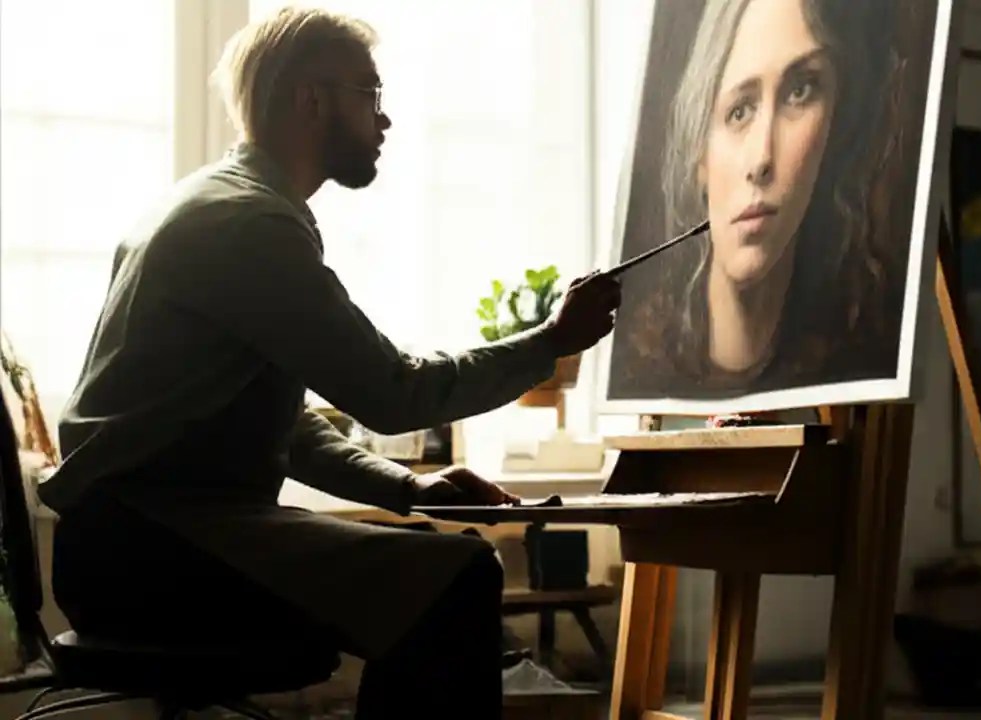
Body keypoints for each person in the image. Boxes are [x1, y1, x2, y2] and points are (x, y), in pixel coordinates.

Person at [39, 6, 620, 719]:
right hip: (153, 552)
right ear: (310, 99)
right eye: (370, 94)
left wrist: (407, 489)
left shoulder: (214, 204)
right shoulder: (248, 225)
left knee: (439, 567)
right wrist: (549, 343)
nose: (386, 120)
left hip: (129, 544)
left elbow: (287, 425)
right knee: (460, 576)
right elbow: (394, 393)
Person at [609, 0, 928, 401]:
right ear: (699, 155)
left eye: (799, 92)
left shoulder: (858, 346)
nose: (761, 159)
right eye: (739, 111)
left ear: (835, 123)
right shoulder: (643, 361)